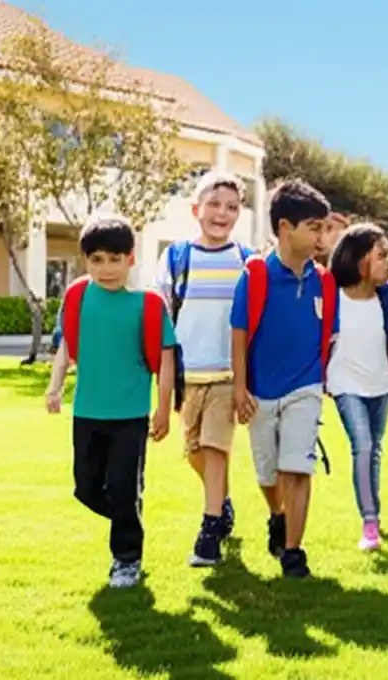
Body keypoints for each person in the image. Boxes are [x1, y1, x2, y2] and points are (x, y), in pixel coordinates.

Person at [45, 215, 176, 588]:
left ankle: (126, 559)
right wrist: (54, 389)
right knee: (85, 488)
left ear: (131, 259)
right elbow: (67, 344)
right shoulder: (77, 296)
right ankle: (128, 510)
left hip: (130, 415)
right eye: (97, 260)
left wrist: (162, 408)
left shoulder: (148, 303)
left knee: (120, 487)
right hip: (86, 411)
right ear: (86, 260)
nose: (106, 269)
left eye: (115, 259)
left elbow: (165, 359)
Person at [231, 178, 337, 578]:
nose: (321, 236)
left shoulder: (323, 281)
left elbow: (331, 333)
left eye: (324, 227)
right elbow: (239, 333)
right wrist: (240, 388)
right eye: (314, 227)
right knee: (267, 472)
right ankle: (277, 514)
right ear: (284, 228)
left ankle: (294, 551)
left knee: (297, 466)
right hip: (260, 391)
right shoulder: (255, 274)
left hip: (306, 386)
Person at [154, 171, 255, 568]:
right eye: (213, 204)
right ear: (196, 209)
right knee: (195, 451)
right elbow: (161, 314)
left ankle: (210, 529)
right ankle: (223, 502)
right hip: (186, 375)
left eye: (231, 207)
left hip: (229, 375)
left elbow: (256, 322)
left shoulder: (247, 262)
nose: (222, 213)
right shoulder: (177, 257)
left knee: (216, 447)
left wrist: (250, 382)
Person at [326, 223, 388, 551]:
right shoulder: (332, 297)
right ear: (358, 258)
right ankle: (370, 522)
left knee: (375, 451)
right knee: (363, 446)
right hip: (345, 384)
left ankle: (374, 514)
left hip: (381, 385)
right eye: (381, 255)